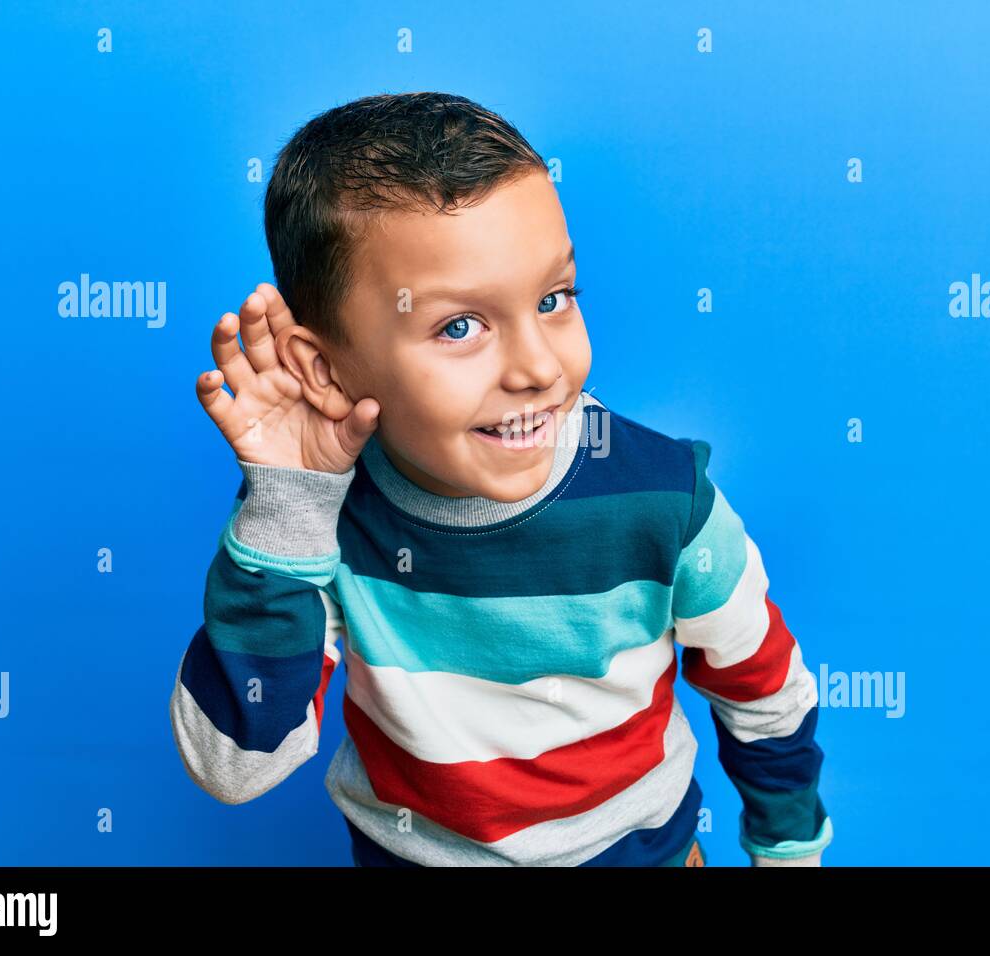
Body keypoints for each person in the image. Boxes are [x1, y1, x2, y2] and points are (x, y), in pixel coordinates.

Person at [168, 92, 833, 867]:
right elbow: (235, 765)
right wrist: (289, 501)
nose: (540, 368)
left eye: (554, 299)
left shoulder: (663, 500)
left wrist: (787, 850)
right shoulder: (313, 526)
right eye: (460, 326)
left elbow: (763, 690)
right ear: (325, 369)